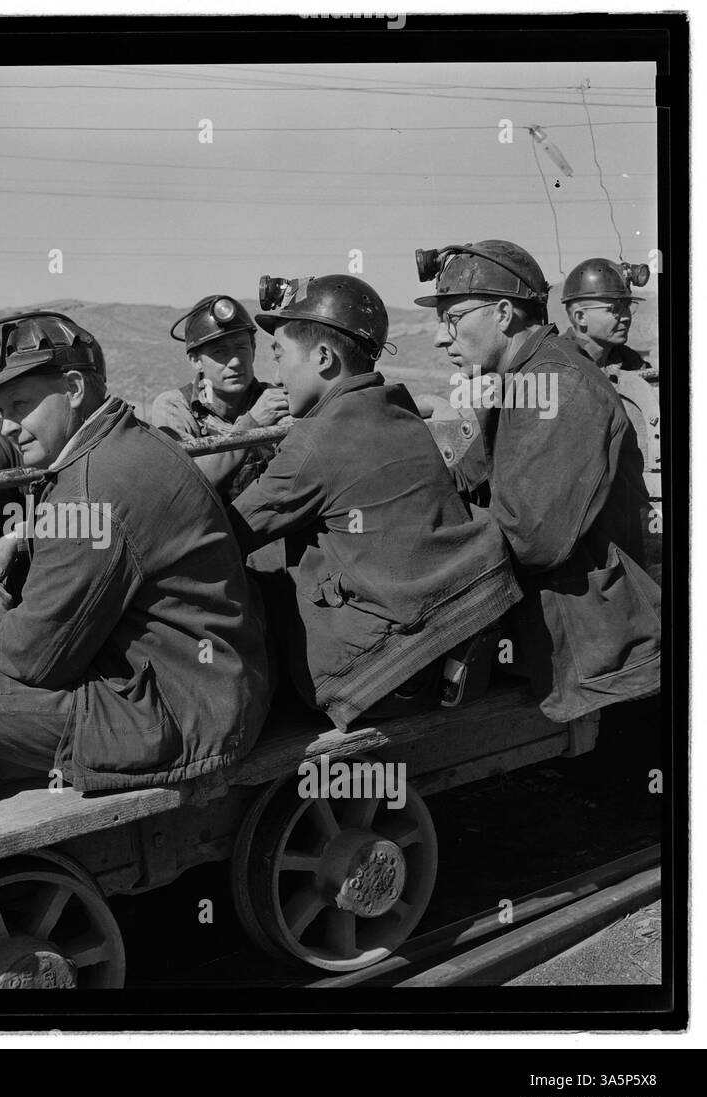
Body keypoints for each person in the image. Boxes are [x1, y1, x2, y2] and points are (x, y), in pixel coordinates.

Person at [0, 310, 271, 796]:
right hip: (211, 684)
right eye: (0, 409)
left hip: (181, 718)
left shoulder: (89, 492)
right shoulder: (127, 440)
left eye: (19, 405)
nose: (5, 427)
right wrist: (19, 536)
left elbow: (32, 660)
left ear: (73, 388)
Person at [228, 275, 522, 730]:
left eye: (280, 355)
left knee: (252, 570)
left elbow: (227, 532)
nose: (278, 374)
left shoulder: (317, 440)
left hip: (378, 679)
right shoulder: (395, 410)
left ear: (323, 358)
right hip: (439, 648)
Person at [415, 240, 660, 721]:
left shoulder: (560, 385)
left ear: (504, 313)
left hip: (597, 653)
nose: (443, 338)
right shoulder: (522, 380)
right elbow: (468, 477)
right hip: (561, 636)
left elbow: (531, 537)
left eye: (453, 318)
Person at [151, 294, 289, 500]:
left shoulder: (276, 401)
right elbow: (188, 488)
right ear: (195, 360)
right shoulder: (176, 407)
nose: (234, 362)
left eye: (241, 348)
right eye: (220, 351)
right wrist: (252, 424)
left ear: (253, 349)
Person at [559, 257, 661, 501]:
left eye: (627, 306)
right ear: (580, 317)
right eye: (614, 309)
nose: (626, 316)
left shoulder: (639, 370)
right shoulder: (556, 369)